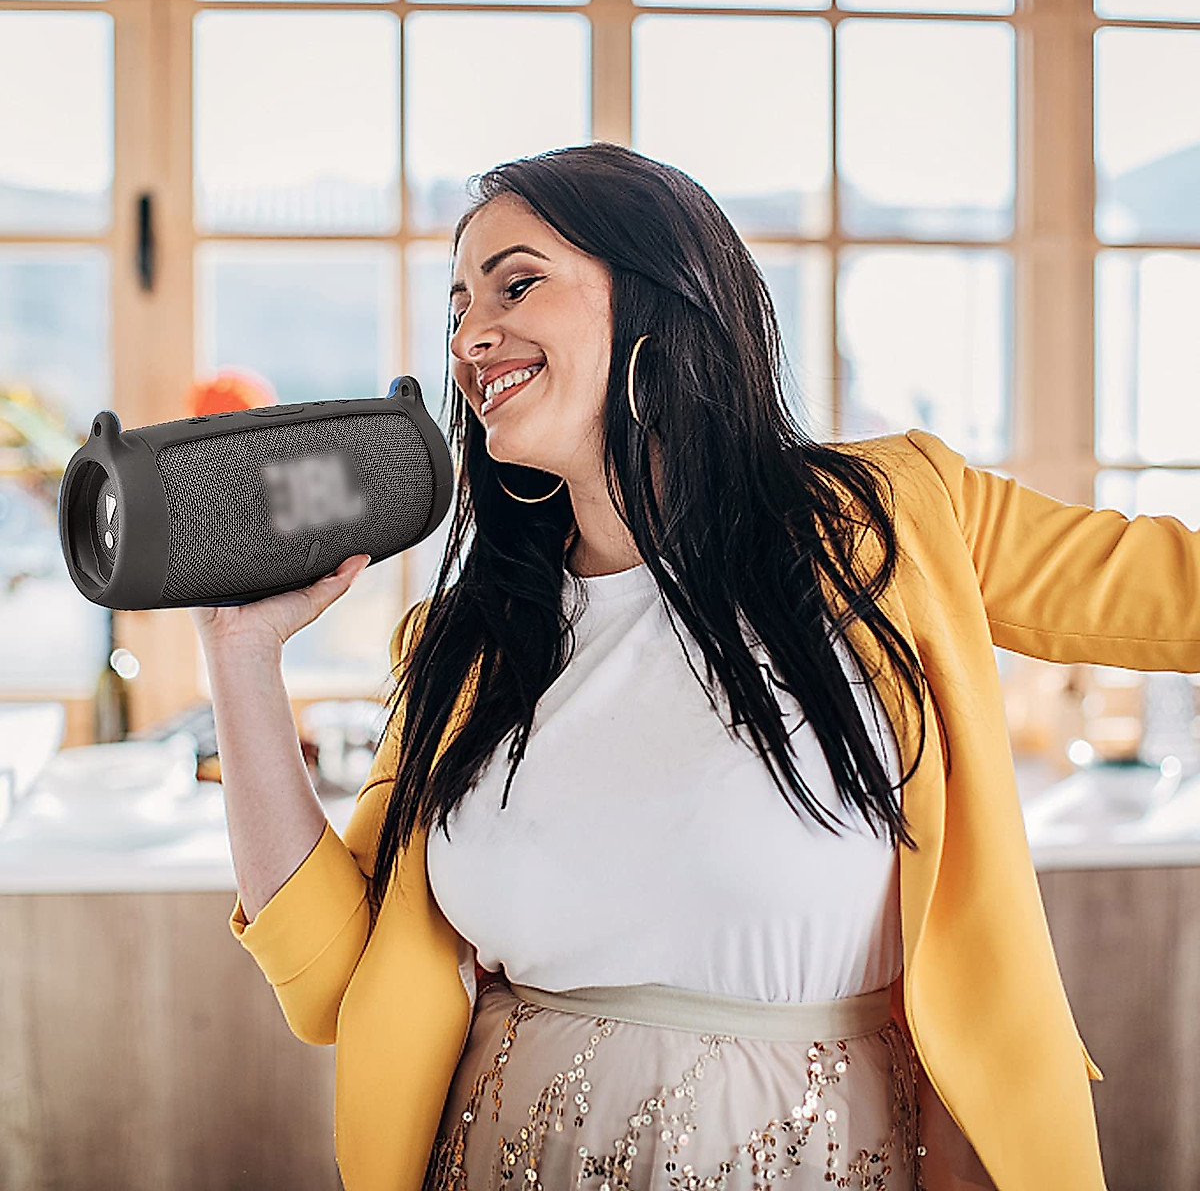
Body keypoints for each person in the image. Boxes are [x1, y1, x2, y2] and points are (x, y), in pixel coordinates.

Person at [192, 141, 1200, 1191]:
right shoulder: (468, 642)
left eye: (516, 285)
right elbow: (332, 985)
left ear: (660, 296)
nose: (468, 337)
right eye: (457, 308)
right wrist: (241, 658)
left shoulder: (893, 525)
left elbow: (1174, 594)